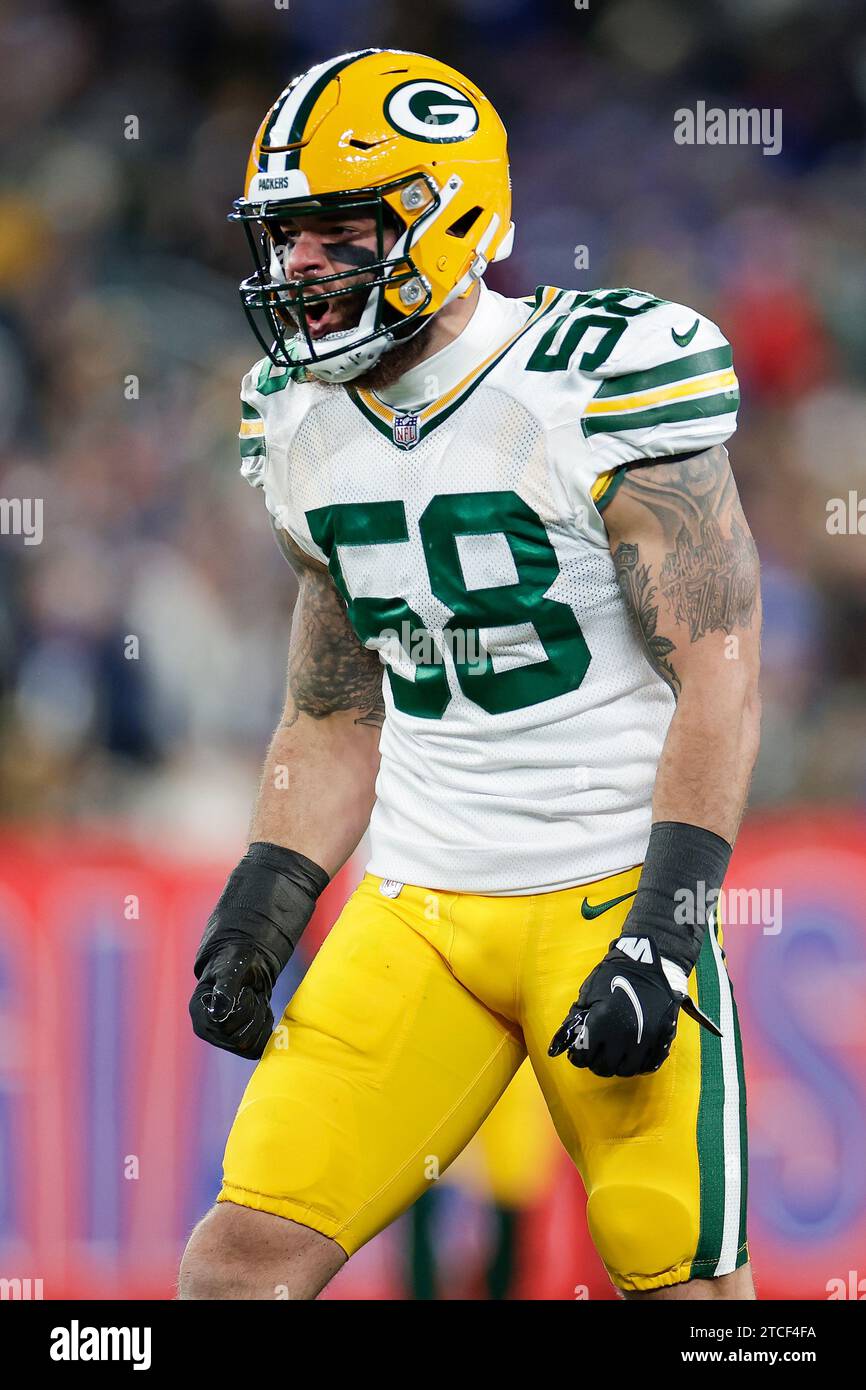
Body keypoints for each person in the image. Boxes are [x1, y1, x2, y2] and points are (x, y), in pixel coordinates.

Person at [179, 48, 761, 1301]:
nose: (299, 271)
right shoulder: (295, 415)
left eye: (335, 232)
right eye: (284, 239)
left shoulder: (596, 374)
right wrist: (262, 903)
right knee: (234, 1270)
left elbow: (718, 673)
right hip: (419, 906)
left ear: (447, 215)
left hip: (607, 893)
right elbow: (334, 705)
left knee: (685, 1283)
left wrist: (667, 929)